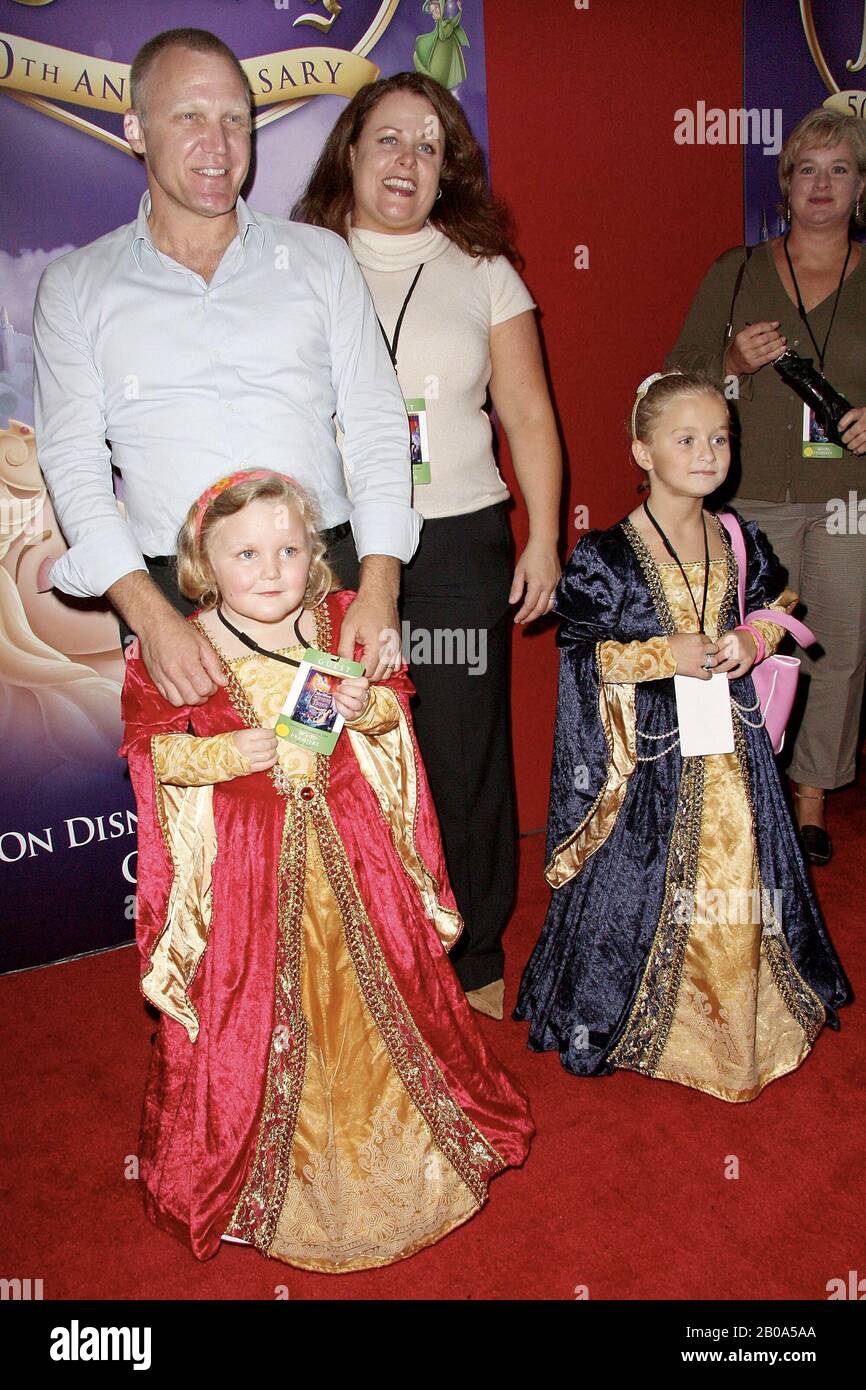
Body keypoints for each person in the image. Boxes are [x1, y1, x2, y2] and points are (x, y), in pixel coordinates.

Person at [120, 468, 534, 1269]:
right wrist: (221, 755)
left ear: (314, 553)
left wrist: (367, 706)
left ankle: (412, 1135)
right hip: (250, 869)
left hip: (357, 849)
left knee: (383, 992)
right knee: (258, 1011)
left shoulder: (340, 618)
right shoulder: (181, 646)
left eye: (287, 550)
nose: (270, 570)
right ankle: (259, 1168)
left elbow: (395, 702)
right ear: (203, 564)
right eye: (245, 554)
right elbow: (150, 752)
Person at [32, 27, 418, 712]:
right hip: (171, 599)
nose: (218, 144)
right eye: (189, 116)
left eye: (235, 119)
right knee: (209, 782)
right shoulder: (74, 288)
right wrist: (150, 620)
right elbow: (74, 466)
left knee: (341, 779)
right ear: (135, 129)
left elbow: (377, 425)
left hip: (327, 580)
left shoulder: (321, 260)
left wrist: (381, 588)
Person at [294, 72, 562, 1018]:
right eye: (389, 139)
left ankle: (475, 951)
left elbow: (529, 415)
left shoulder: (482, 269)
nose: (407, 160)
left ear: (449, 170)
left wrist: (543, 538)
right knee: (322, 742)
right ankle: (344, 947)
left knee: (460, 752)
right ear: (351, 150)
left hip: (455, 546)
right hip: (324, 547)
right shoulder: (295, 260)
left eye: (429, 145)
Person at [513, 372, 850, 1102]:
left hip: (735, 747)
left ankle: (743, 1011)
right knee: (639, 883)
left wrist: (755, 641)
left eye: (720, 439)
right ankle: (638, 1012)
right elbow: (585, 656)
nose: (707, 453)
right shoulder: (607, 555)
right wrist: (665, 653)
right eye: (686, 439)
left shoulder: (739, 535)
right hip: (650, 764)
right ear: (643, 451)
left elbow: (776, 603)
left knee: (744, 875)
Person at [667, 108, 866, 865]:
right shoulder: (739, 270)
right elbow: (677, 373)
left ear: (860, 187)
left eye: (839, 170)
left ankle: (812, 798)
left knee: (838, 649)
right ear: (785, 185)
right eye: (807, 169)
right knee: (744, 647)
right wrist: (731, 362)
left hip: (849, 499)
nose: (822, 185)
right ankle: (746, 790)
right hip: (751, 496)